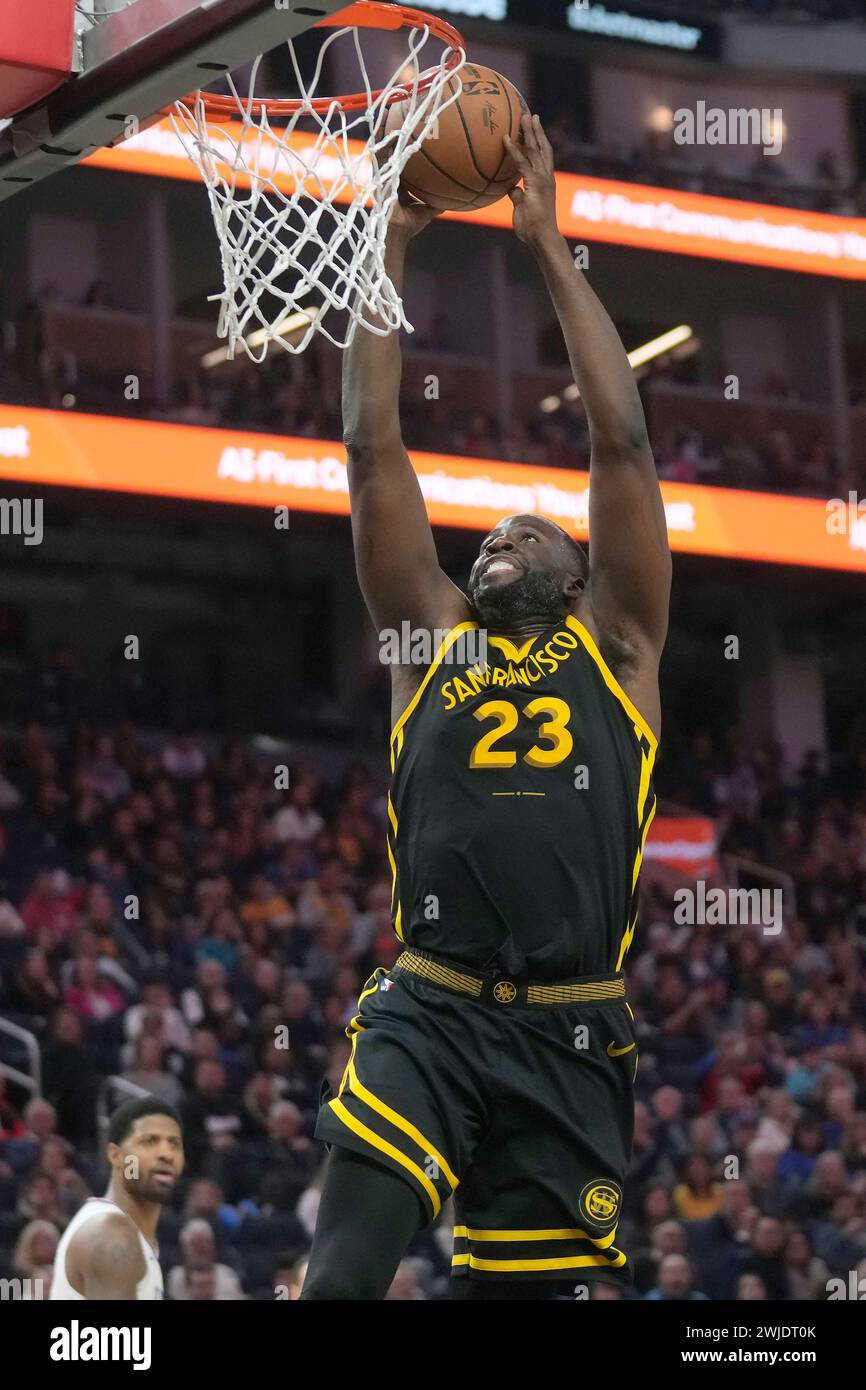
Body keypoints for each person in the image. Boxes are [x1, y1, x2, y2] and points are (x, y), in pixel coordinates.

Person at [302, 113, 671, 1301]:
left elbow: (619, 438)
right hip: (434, 1000)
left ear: (574, 576)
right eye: (488, 535)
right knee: (344, 1276)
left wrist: (544, 242)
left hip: (569, 1023)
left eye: (526, 532)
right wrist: (388, 241)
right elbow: (371, 448)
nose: (496, 537)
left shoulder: (617, 644)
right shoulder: (431, 637)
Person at [49, 1097, 184, 1299]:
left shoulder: (130, 1234)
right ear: (116, 1155)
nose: (166, 1154)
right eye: (149, 1141)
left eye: (174, 1144)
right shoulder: (112, 1233)